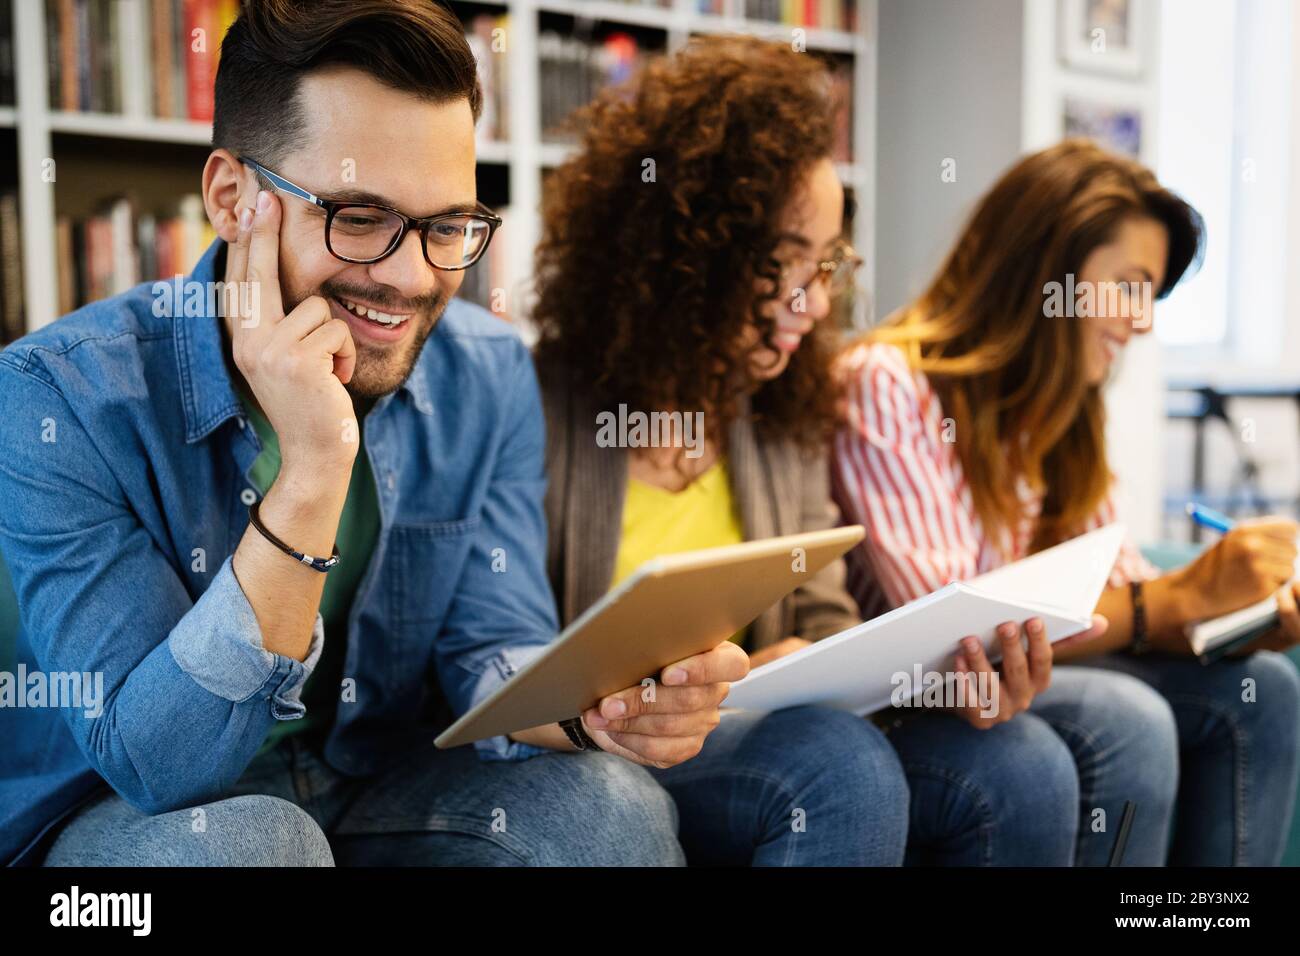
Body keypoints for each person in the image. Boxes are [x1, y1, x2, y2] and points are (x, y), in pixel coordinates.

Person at [0, 0, 743, 868]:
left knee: (610, 806)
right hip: (133, 815)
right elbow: (156, 763)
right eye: (357, 217)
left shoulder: (490, 371)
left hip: (373, 781)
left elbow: (488, 649)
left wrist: (593, 708)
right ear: (233, 200)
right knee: (254, 846)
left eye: (447, 226)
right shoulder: (56, 396)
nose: (409, 278)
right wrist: (313, 471)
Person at [530, 36, 1172, 866]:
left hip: (746, 733)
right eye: (782, 261)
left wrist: (927, 676)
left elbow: (829, 618)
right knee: (837, 765)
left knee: (1019, 761)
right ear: (684, 251)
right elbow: (503, 655)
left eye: (828, 263)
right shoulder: (543, 405)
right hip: (607, 749)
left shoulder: (776, 409)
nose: (817, 299)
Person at [834, 139, 1300, 866]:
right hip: (916, 705)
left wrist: (1235, 615)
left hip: (1025, 688)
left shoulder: (1064, 416)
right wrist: (1178, 597)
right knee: (1127, 718)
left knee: (1262, 686)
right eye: (1131, 285)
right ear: (1046, 270)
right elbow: (960, 624)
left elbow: (1125, 584)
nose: (1142, 321)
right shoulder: (888, 382)